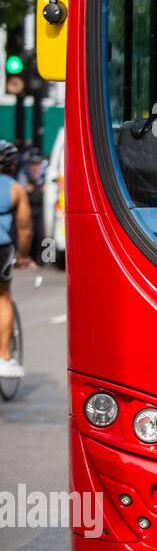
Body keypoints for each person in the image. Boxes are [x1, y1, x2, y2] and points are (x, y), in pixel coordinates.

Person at [0, 141, 34, 379]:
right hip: (1, 248)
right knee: (3, 298)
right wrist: (22, 256)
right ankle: (3, 357)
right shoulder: (14, 188)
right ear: (12, 165)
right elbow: (24, 229)